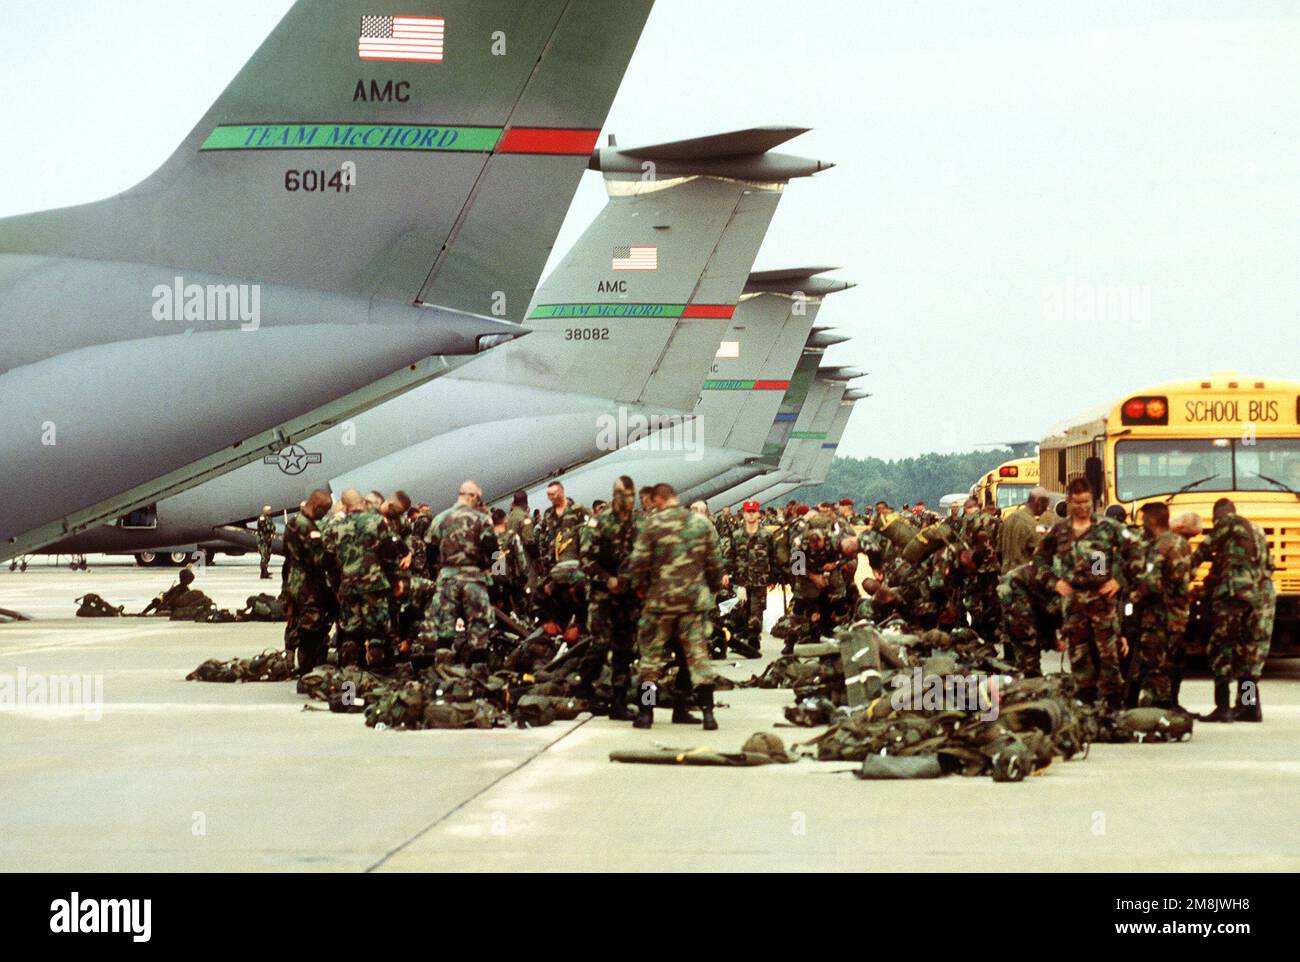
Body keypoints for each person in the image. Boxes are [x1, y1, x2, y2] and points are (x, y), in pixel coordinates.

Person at [1033, 477, 1141, 709]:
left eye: (1087, 502)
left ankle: (1113, 706)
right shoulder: (1059, 531)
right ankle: (1086, 705)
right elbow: (1039, 560)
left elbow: (1137, 553)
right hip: (1074, 604)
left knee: (1108, 655)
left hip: (1102, 602)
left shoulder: (1107, 528)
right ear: (1069, 503)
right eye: (1078, 502)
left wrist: (1118, 580)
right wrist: (1054, 582)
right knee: (1080, 656)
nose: (1083, 507)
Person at [626, 483, 726, 730]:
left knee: (651, 661)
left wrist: (641, 592)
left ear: (659, 500)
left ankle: (646, 714)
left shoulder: (652, 525)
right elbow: (715, 565)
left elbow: (637, 567)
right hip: (692, 604)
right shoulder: (701, 524)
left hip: (659, 604)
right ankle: (706, 714)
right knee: (697, 660)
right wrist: (709, 589)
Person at [1190, 498, 1269, 722]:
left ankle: (1223, 707)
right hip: (1260, 598)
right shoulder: (1256, 531)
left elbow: (1204, 549)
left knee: (1220, 648)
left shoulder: (1228, 523)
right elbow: (1222, 568)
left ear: (1220, 516)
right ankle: (1250, 707)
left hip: (1234, 596)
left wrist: (1184, 572)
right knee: (1248, 652)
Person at [579, 475, 641, 717]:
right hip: (602, 595)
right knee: (600, 644)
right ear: (615, 496)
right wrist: (608, 580)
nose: (629, 500)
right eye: (625, 495)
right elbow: (586, 561)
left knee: (625, 648)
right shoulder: (599, 523)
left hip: (628, 596)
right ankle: (584, 690)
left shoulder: (638, 524)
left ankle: (619, 700)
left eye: (632, 495)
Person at [423, 481, 497, 663]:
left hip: (448, 578)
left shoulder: (440, 518)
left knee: (445, 625)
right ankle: (478, 672)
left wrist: (440, 569)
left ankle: (442, 669)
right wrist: (497, 574)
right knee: (479, 626)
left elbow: (429, 550)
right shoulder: (481, 519)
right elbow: (493, 550)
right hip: (474, 579)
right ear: (473, 497)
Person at [1127, 502, 1191, 709]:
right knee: (1174, 660)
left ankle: (1161, 708)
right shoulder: (1181, 543)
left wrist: (1134, 596)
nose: (1142, 523)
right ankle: (1174, 702)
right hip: (1179, 613)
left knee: (1154, 664)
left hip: (1159, 615)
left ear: (1153, 520)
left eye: (1144, 519)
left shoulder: (1159, 546)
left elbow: (1152, 583)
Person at [282, 489, 336, 687]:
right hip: (309, 586)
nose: (325, 515)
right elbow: (317, 560)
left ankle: (303, 670)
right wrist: (332, 553)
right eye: (324, 510)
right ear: (318, 506)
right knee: (311, 630)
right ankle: (306, 676)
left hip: (295, 581)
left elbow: (288, 553)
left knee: (300, 625)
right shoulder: (308, 528)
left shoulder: (293, 523)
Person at [723, 500, 775, 651]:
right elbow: (729, 556)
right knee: (742, 610)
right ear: (743, 514)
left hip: (760, 579)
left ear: (758, 514)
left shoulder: (766, 535)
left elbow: (773, 557)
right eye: (748, 512)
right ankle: (744, 636)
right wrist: (725, 573)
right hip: (741, 580)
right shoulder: (737, 535)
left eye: (754, 512)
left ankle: (753, 637)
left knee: (757, 610)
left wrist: (774, 577)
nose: (751, 515)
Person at [535, 481, 589, 572]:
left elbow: (587, 536)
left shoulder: (577, 509)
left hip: (576, 564)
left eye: (553, 494)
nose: (550, 497)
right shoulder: (548, 515)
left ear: (561, 492)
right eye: (548, 495)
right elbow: (543, 540)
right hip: (555, 567)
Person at [999, 487, 1050, 573]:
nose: (1045, 509)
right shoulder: (1032, 524)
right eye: (1045, 505)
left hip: (1005, 574)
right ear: (1038, 503)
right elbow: (1039, 554)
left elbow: (999, 551)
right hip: (1022, 577)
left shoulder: (1008, 519)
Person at [256, 506, 275, 579]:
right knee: (264, 556)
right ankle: (263, 573)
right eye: (269, 510)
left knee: (267, 556)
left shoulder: (269, 518)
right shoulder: (262, 518)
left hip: (268, 539)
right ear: (265, 511)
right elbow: (266, 528)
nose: (270, 511)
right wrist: (271, 529)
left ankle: (266, 571)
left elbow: (273, 527)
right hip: (263, 540)